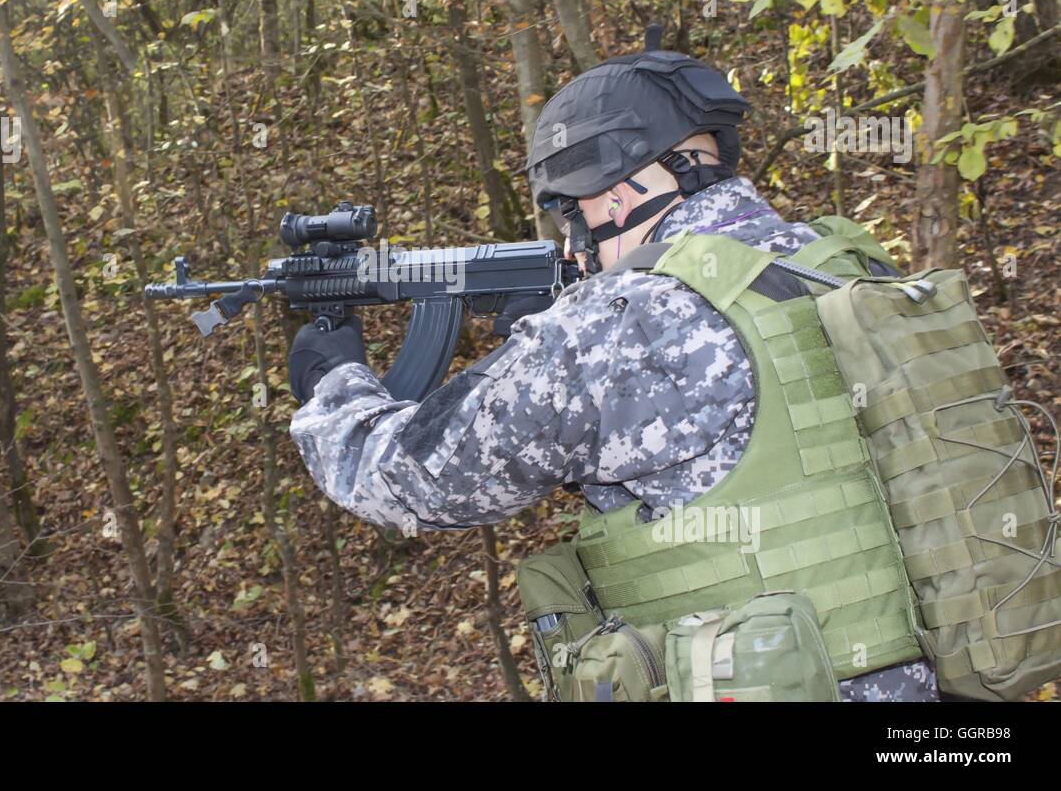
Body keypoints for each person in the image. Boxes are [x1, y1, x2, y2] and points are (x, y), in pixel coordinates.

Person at [287, 48, 937, 701]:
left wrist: (336, 381)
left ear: (620, 194)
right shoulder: (844, 262)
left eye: (574, 214)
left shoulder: (622, 322)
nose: (572, 244)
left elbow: (409, 479)